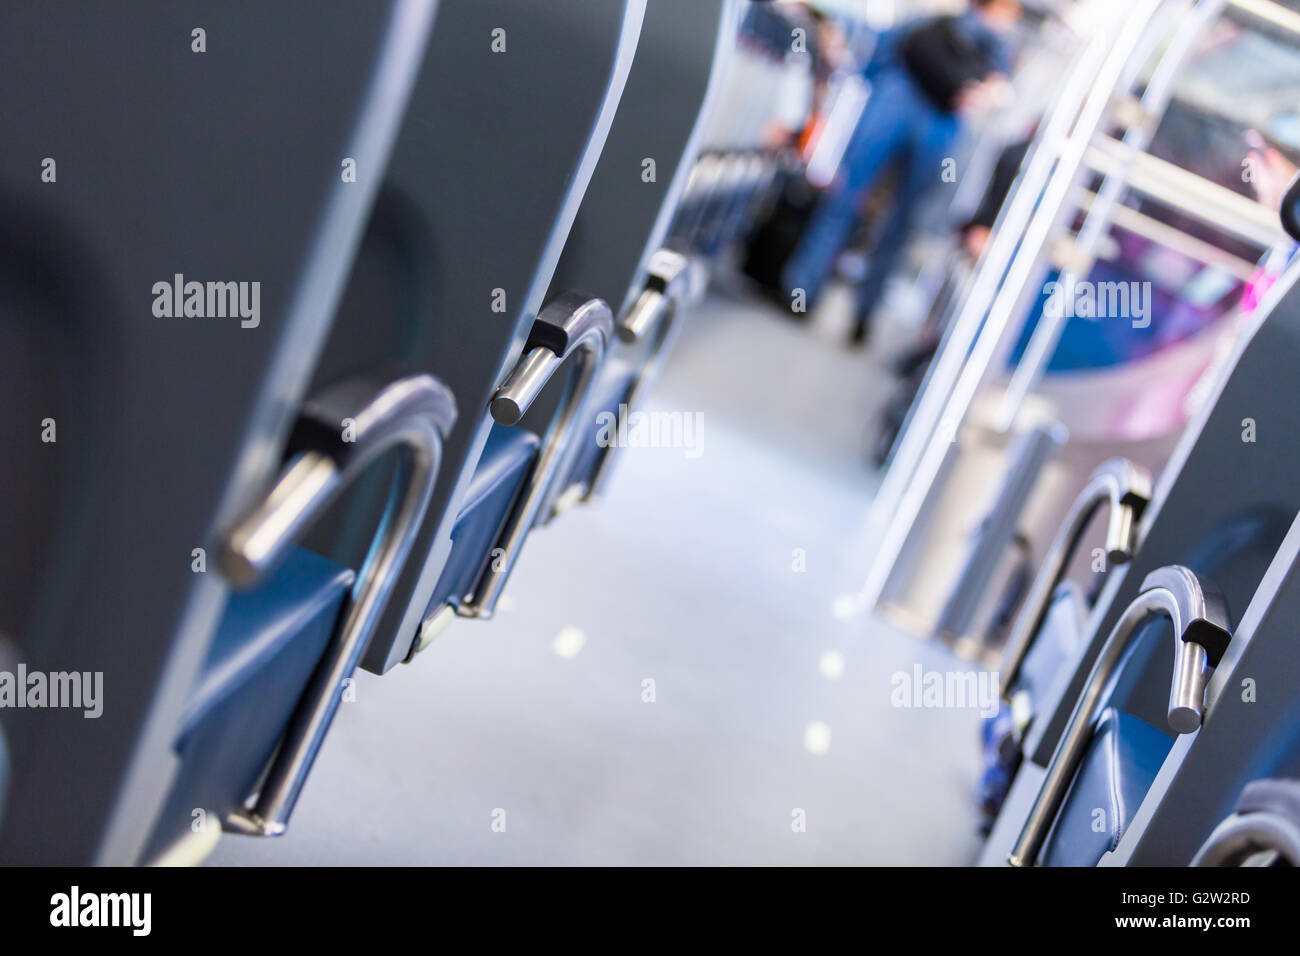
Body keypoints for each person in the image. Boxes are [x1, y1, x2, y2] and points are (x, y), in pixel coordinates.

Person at [781, 0, 1023, 346]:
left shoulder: (940, 24)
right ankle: (859, 311)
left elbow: (879, 54)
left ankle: (805, 293)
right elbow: (991, 92)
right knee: (895, 219)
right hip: (931, 116)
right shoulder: (981, 39)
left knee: (854, 200)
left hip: (901, 103)